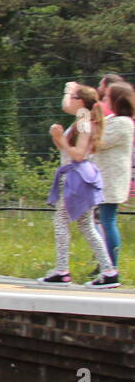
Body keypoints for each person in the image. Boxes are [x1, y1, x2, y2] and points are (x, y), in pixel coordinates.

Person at [39, 82, 117, 287]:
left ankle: (62, 271)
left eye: (72, 97)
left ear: (80, 102)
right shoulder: (83, 120)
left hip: (76, 177)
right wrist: (58, 138)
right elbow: (68, 151)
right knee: (86, 226)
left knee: (61, 222)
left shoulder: (83, 120)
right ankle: (109, 271)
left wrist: (59, 138)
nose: (68, 102)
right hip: (81, 176)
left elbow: (79, 154)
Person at [91, 80, 134, 276]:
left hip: (111, 180)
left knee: (107, 221)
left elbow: (98, 142)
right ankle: (104, 263)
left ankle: (110, 267)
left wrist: (90, 120)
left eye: (107, 98)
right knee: (101, 221)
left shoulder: (123, 123)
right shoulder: (115, 121)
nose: (103, 101)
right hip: (104, 179)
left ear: (116, 100)